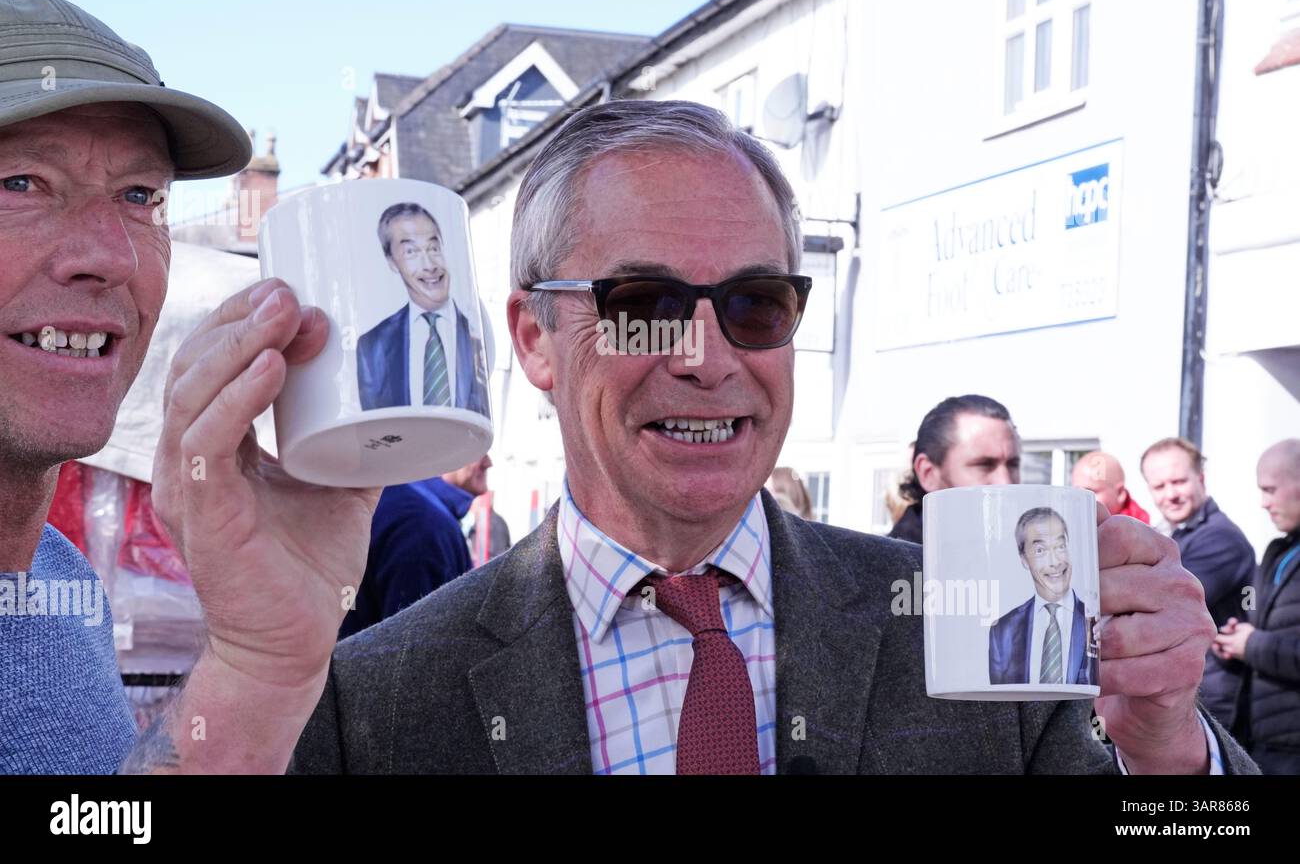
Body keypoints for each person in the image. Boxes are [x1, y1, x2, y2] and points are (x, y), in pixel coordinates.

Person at [168, 98, 1252, 775]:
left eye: (754, 303)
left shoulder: (960, 630)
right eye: (641, 298)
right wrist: (253, 670)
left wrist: (1167, 751)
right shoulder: (375, 695)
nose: (704, 353)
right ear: (535, 340)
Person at [0, 0, 258, 772]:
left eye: (140, 196)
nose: (110, 256)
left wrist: (263, 662)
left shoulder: (58, 579)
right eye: (21, 184)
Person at [1141, 437, 1255, 729]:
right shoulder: (1175, 534)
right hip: (1189, 688)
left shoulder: (1221, 538)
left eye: (1178, 482)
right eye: (1159, 486)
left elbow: (1163, 599)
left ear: (1201, 479)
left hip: (1211, 697)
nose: (1171, 494)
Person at [1213, 439, 1300, 774]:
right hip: (1265, 741)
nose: (1263, 503)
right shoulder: (1279, 551)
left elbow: (1263, 643)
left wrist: (1253, 645)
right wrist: (1236, 644)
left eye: (1270, 489)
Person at [337, 454, 492, 639]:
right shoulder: (423, 525)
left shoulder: (404, 505)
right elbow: (416, 651)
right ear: (442, 447)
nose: (489, 463)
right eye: (479, 451)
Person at [356, 202, 489, 415]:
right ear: (391, 261)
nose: (429, 264)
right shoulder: (373, 346)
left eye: (433, 248)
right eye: (411, 252)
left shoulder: (476, 331)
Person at [888, 394, 1020, 544]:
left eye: (1013, 464)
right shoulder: (883, 564)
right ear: (928, 473)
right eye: (984, 464)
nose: (1006, 481)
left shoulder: (1023, 554)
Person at [989, 508, 1098, 686]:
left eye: (1060, 546)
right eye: (1040, 550)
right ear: (1024, 559)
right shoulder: (1002, 631)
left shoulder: (1094, 621)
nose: (1055, 562)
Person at [1071, 450, 1150, 523]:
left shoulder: (1143, 535)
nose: (1079, 499)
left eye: (1089, 491)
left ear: (1120, 493)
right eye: (1076, 492)